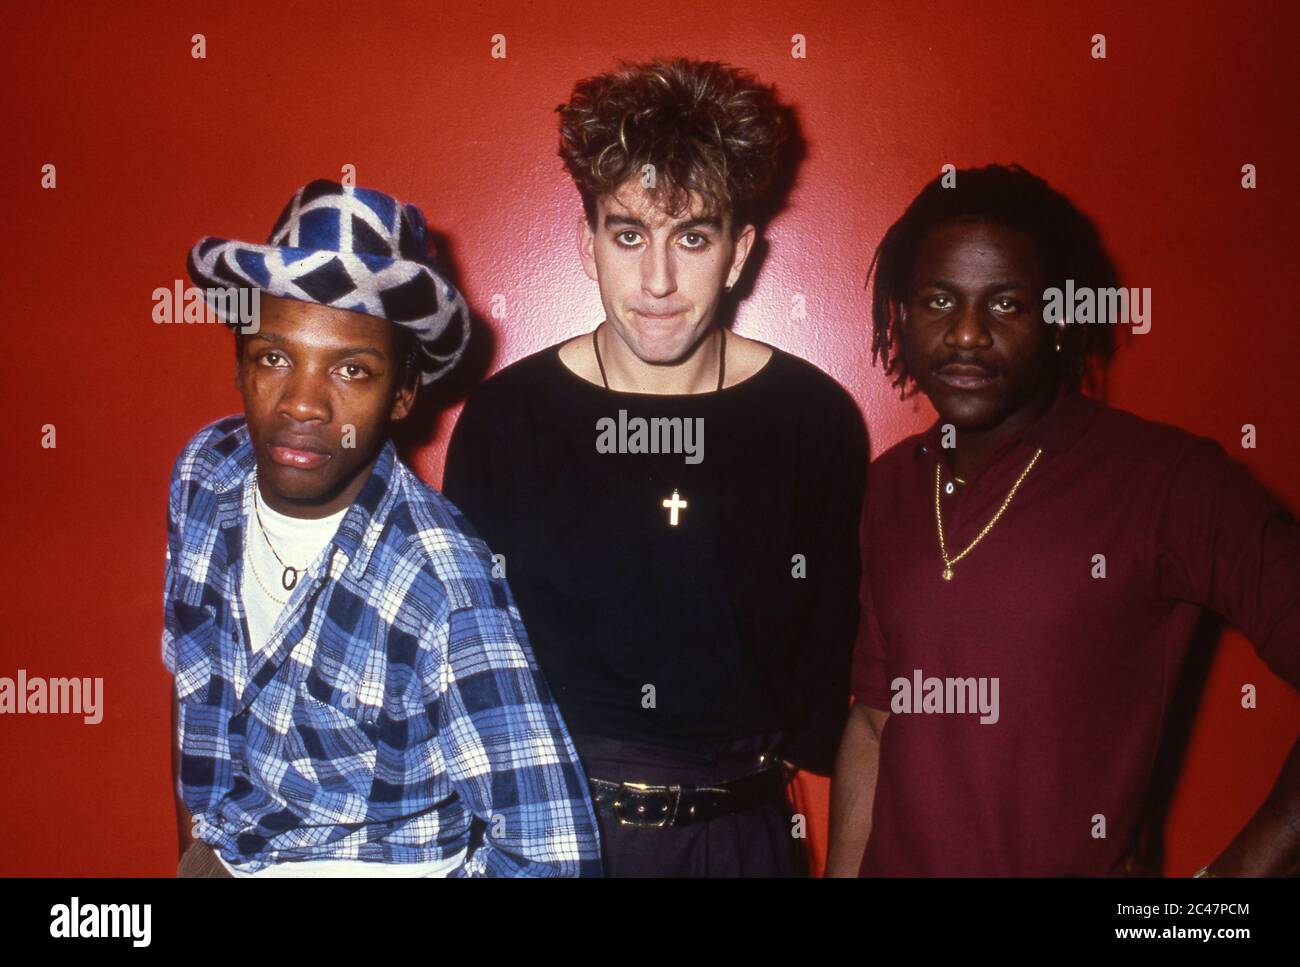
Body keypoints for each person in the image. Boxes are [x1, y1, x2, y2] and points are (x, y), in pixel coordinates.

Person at [443, 58, 868, 876]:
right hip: (549, 838)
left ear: (739, 252)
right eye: (629, 233)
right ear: (587, 242)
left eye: (693, 236)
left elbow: (829, 683)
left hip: (743, 840)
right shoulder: (510, 419)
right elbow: (467, 672)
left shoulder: (813, 421)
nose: (660, 281)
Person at [827, 164, 1300, 876]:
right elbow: (874, 720)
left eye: (1006, 304)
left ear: (1058, 319)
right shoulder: (889, 487)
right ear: (900, 312)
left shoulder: (1167, 480)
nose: (966, 334)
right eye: (938, 300)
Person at [165, 178, 601, 877]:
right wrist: (196, 847)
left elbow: (555, 854)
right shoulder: (205, 476)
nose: (304, 403)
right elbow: (197, 694)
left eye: (352, 369)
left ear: (402, 394)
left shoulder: (441, 581)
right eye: (275, 357)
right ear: (241, 363)